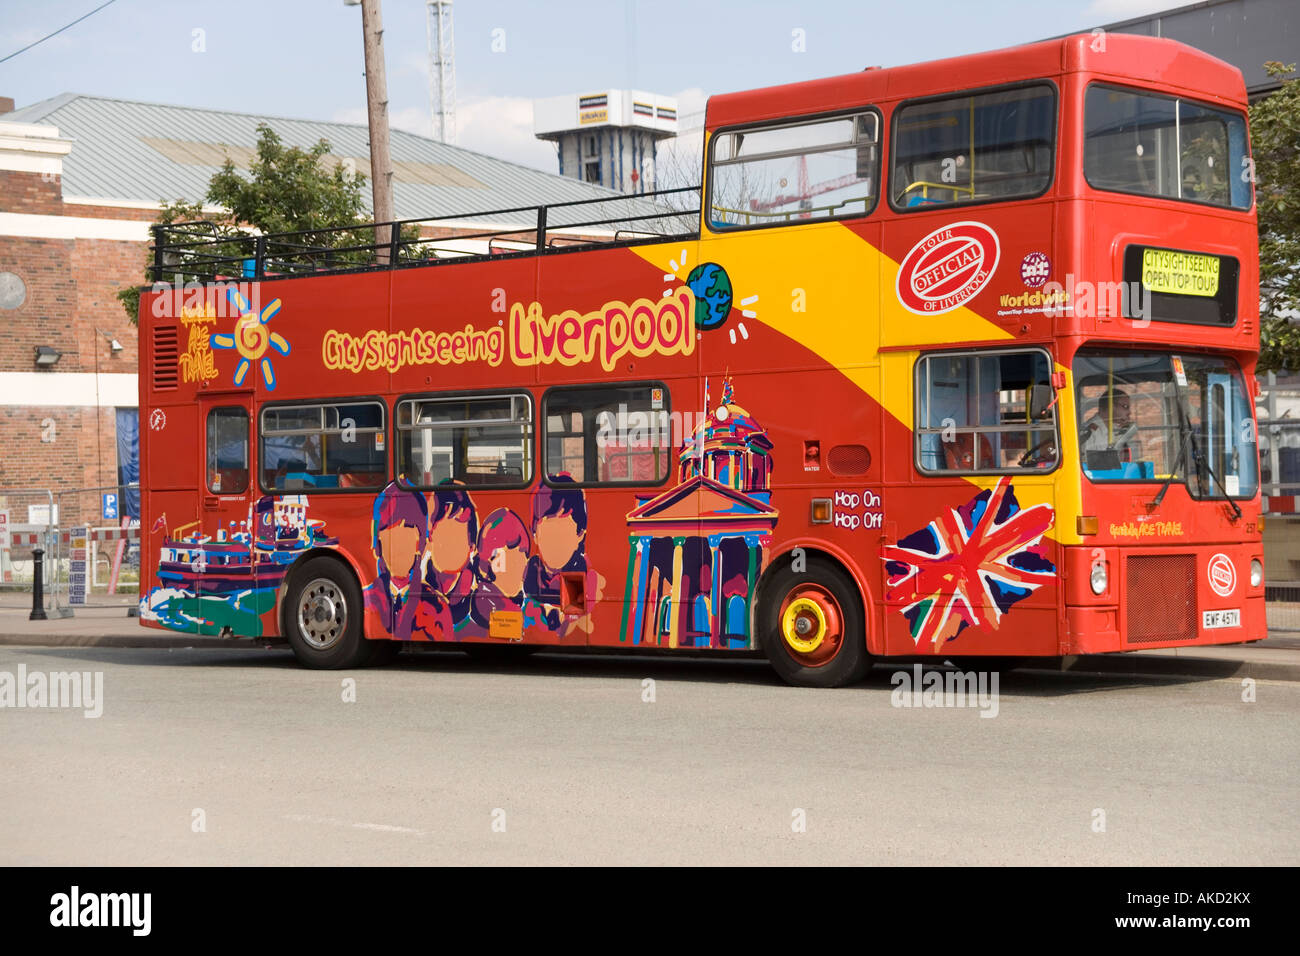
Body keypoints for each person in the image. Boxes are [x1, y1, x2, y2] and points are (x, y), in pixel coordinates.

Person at [1081, 388, 1140, 461]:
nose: (1129, 412)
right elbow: (1087, 466)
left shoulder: (1116, 430)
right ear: (1111, 406)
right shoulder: (1089, 433)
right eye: (1125, 406)